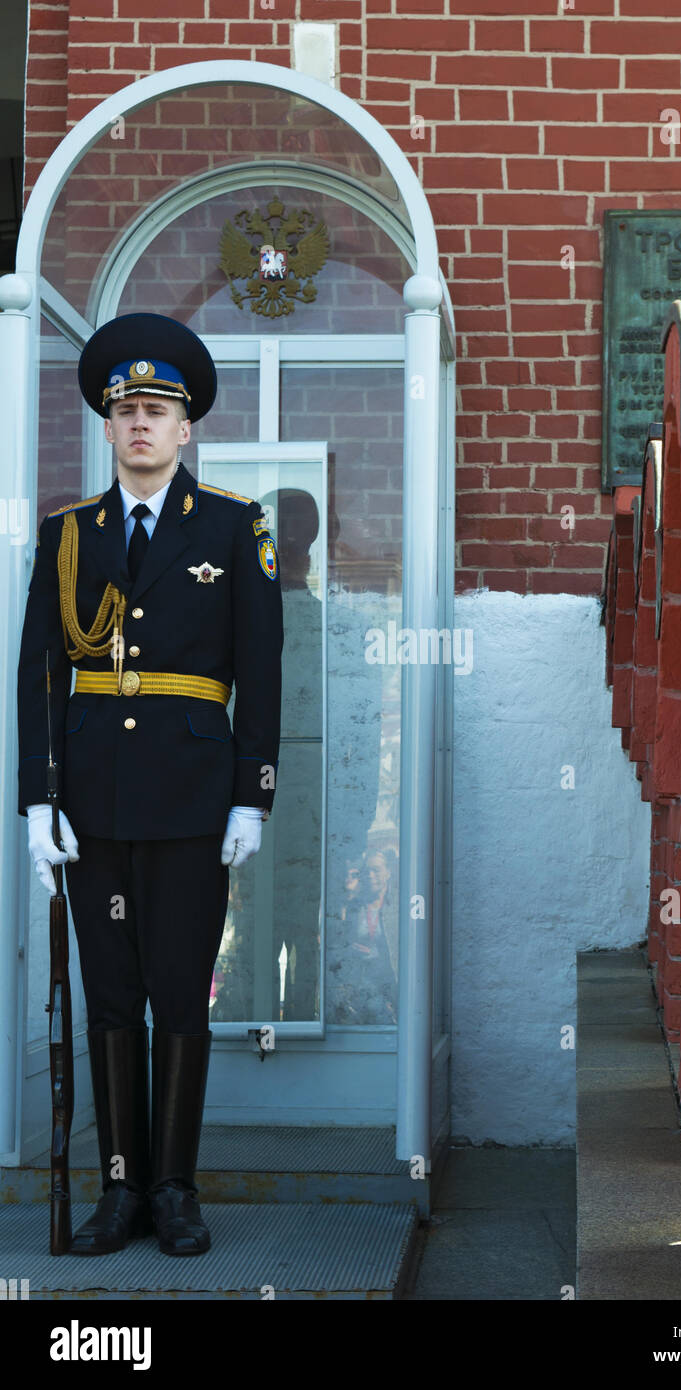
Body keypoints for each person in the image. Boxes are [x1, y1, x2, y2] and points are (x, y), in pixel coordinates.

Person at [17, 312, 284, 1257]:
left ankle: (174, 1189)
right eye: (126, 407)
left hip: (191, 797)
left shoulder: (234, 527)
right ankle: (119, 1193)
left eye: (157, 409)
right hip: (93, 802)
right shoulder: (68, 537)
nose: (140, 422)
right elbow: (43, 670)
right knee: (109, 998)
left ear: (186, 429)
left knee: (179, 992)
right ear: (105, 423)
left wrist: (253, 791)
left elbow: (261, 662)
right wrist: (39, 799)